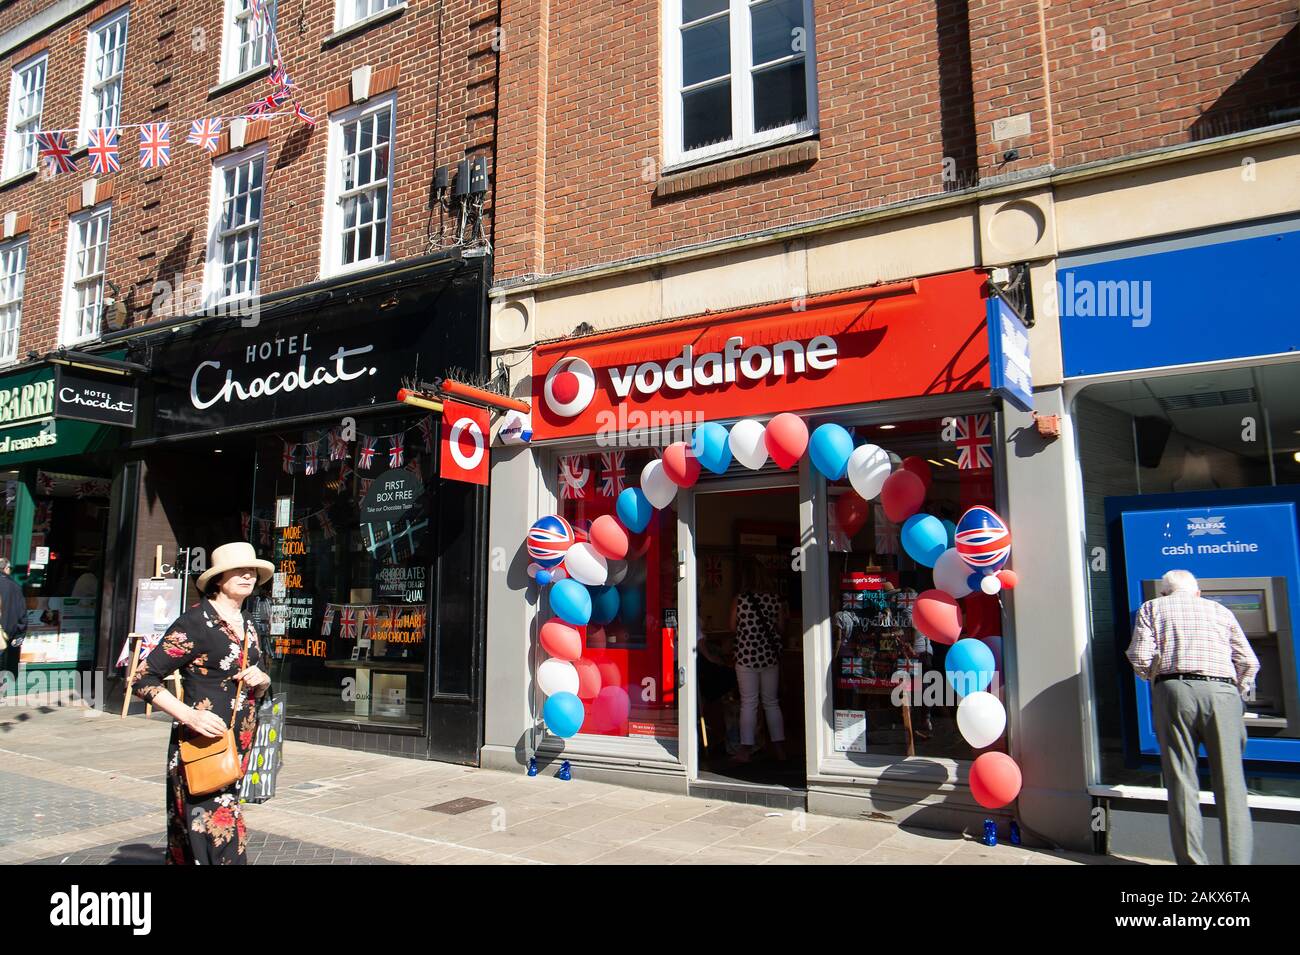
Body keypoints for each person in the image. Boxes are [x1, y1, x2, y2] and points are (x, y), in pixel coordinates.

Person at [132, 542, 274, 865]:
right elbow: (143, 678)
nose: (247, 575)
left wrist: (262, 680)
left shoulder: (250, 623)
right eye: (237, 570)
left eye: (251, 570)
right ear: (218, 579)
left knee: (192, 835)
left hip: (237, 747)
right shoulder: (195, 622)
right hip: (202, 747)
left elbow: (260, 677)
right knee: (221, 834)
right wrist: (189, 715)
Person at [1126, 569, 1259, 865]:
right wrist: (1236, 691)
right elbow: (1249, 660)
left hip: (1175, 691)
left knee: (1182, 781)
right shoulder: (1219, 610)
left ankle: (1192, 862)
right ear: (1197, 591)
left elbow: (1138, 654)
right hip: (1222, 692)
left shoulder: (1152, 607)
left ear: (1164, 592)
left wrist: (1155, 677)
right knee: (1231, 786)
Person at [728, 559, 787, 764]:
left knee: (749, 703)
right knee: (771, 702)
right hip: (769, 656)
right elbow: (781, 628)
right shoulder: (775, 600)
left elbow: (732, 627)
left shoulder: (740, 600)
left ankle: (745, 750)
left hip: (745, 656)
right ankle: (779, 749)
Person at [0, 558, 27, 679]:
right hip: (4, 635)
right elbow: (21, 615)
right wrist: (19, 635)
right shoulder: (15, 587)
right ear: (6, 569)